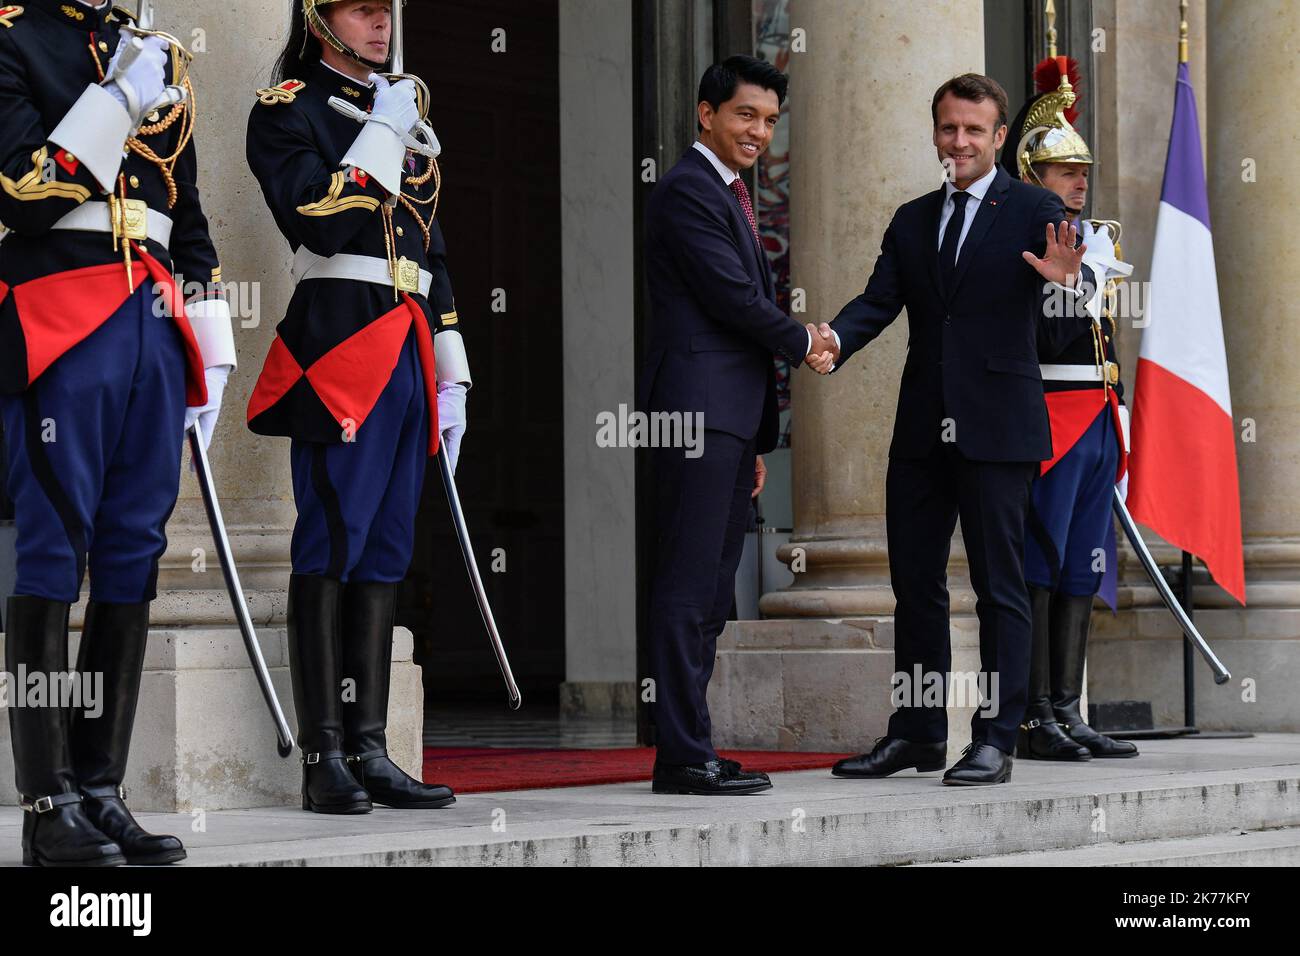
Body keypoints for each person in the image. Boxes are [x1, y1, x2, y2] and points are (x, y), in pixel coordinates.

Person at [810, 74, 1098, 786]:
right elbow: (878, 302)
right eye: (948, 129)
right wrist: (833, 342)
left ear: (1000, 138)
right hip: (920, 433)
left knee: (1000, 587)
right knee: (915, 585)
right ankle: (915, 733)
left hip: (1000, 430)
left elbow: (1084, 288)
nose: (960, 141)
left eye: (974, 130)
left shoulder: (1036, 207)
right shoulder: (911, 219)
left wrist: (1071, 282)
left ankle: (997, 737)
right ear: (935, 134)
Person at [0, 0, 235, 864]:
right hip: (62, 316)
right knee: (55, 552)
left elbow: (188, 210)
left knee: (134, 553)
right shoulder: (14, 37)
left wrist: (207, 326)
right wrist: (112, 102)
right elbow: (21, 189)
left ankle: (100, 791)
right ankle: (44, 801)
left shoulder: (156, 54)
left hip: (152, 318)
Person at [246, 0, 468, 813]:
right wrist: (382, 130)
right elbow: (323, 219)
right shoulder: (288, 110)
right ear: (320, 19)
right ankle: (323, 755)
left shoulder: (398, 108)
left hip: (407, 342)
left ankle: (371, 746)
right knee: (331, 539)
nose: (383, 26)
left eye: (386, 11)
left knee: (386, 549)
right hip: (341, 342)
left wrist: (453, 370)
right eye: (364, 10)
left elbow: (427, 245)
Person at [642, 55, 835, 796]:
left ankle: (693, 745)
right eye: (745, 115)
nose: (759, 131)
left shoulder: (729, 195)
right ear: (706, 113)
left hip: (726, 423)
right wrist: (806, 342)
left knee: (711, 589)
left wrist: (755, 442)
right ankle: (683, 755)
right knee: (689, 586)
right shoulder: (687, 190)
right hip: (696, 414)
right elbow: (728, 298)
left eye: (768, 120)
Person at [1002, 56, 1137, 760]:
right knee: (1043, 563)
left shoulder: (1088, 241)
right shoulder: (1029, 241)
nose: (1080, 183)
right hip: (1054, 415)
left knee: (1084, 564)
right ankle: (1032, 719)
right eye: (1064, 173)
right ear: (1033, 176)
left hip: (1097, 416)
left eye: (1082, 173)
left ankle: (1066, 707)